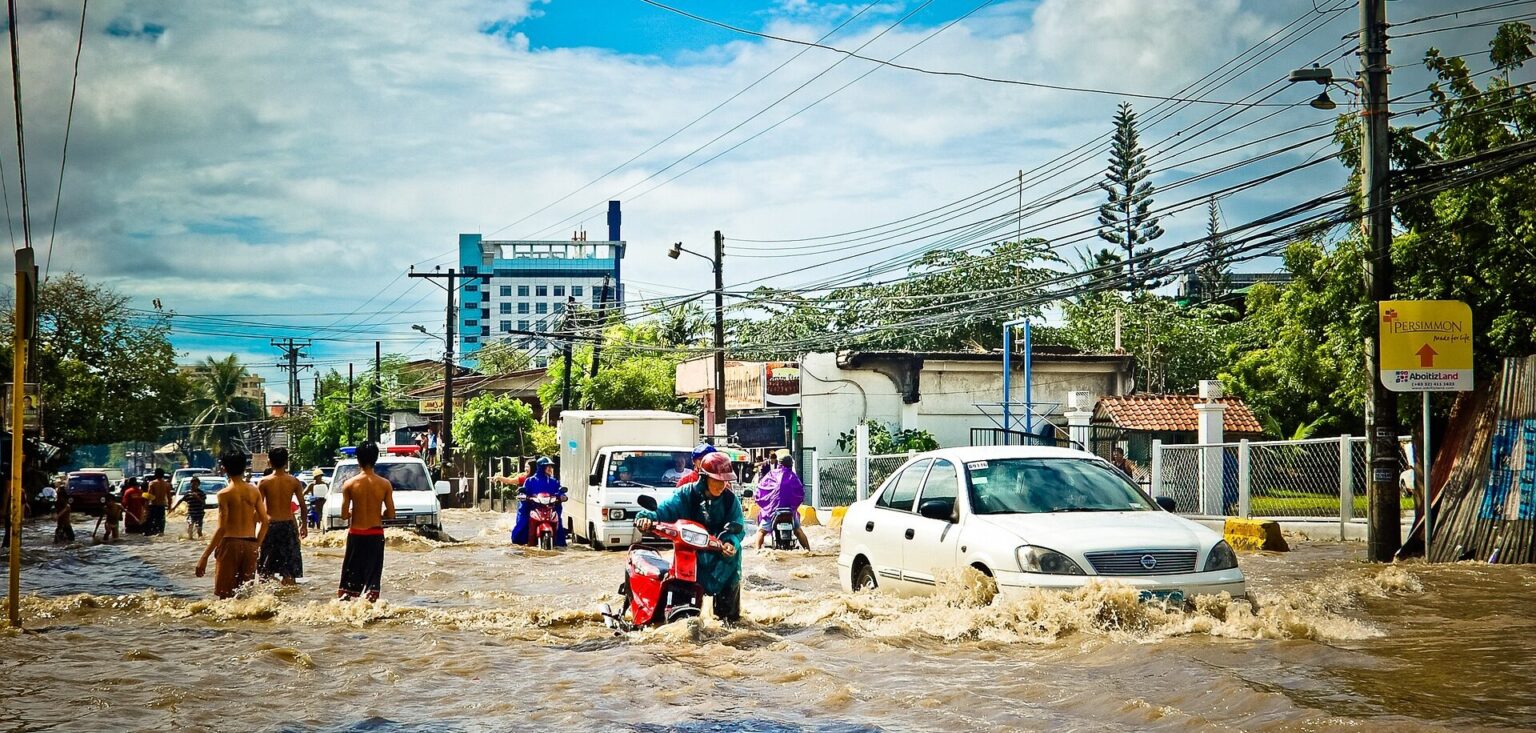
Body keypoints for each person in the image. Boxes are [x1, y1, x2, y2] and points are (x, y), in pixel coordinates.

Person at [635, 451, 745, 621]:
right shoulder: (685, 494)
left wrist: (731, 543)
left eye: (724, 481)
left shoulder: (731, 500)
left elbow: (738, 526)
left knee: (730, 621)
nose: (721, 485)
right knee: (683, 607)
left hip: (723, 558)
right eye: (716, 479)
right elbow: (664, 510)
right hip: (692, 554)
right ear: (704, 477)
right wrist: (646, 518)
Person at [196, 451, 268, 599]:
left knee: (225, 597)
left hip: (230, 545)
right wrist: (257, 545)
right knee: (245, 596)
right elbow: (265, 521)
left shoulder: (224, 494)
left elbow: (222, 529)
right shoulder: (253, 491)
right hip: (250, 545)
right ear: (244, 468)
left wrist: (204, 557)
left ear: (224, 469)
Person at [337, 441, 395, 601]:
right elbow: (391, 514)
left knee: (349, 582)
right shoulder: (384, 484)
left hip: (356, 535)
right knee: (372, 582)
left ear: (358, 459)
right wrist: (378, 513)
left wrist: (353, 512)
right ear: (376, 459)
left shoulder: (349, 484)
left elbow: (343, 515)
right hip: (375, 535)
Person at [257, 447, 307, 585]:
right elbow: (303, 506)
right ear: (286, 462)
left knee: (265, 570)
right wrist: (304, 526)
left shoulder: (264, 482)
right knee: (289, 570)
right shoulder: (294, 481)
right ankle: (290, 600)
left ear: (269, 462)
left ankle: (264, 601)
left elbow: (258, 508)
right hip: (288, 526)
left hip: (270, 526)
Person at [754, 450, 811, 551]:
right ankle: (808, 551)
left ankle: (757, 551)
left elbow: (761, 490)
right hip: (790, 512)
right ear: (790, 464)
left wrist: (760, 499)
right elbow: (801, 494)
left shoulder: (771, 475)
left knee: (761, 531)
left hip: (772, 512)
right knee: (798, 530)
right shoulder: (794, 477)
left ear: (779, 463)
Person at [512, 457, 565, 546]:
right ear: (540, 467)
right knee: (523, 522)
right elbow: (524, 491)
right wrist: (524, 496)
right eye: (547, 466)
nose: (549, 469)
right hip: (533, 508)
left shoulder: (554, 481)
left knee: (558, 522)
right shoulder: (530, 480)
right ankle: (520, 540)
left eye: (550, 467)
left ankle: (559, 542)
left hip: (550, 508)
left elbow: (559, 491)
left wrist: (562, 496)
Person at [145, 468, 173, 536]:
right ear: (163, 475)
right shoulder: (167, 484)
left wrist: (146, 507)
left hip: (153, 505)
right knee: (161, 521)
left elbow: (149, 496)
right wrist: (169, 507)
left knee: (150, 521)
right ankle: (160, 532)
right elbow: (169, 498)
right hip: (162, 505)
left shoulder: (152, 483)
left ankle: (150, 532)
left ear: (155, 474)